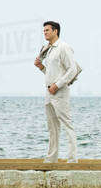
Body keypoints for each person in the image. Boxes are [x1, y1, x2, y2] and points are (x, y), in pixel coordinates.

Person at [33, 21, 78, 163]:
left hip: (60, 92)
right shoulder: (49, 49)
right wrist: (41, 67)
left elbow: (72, 70)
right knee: (52, 127)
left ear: (55, 31)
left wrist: (57, 86)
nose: (44, 32)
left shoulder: (63, 47)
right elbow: (52, 73)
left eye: (47, 30)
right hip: (49, 92)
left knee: (66, 124)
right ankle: (52, 158)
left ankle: (72, 159)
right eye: (44, 31)